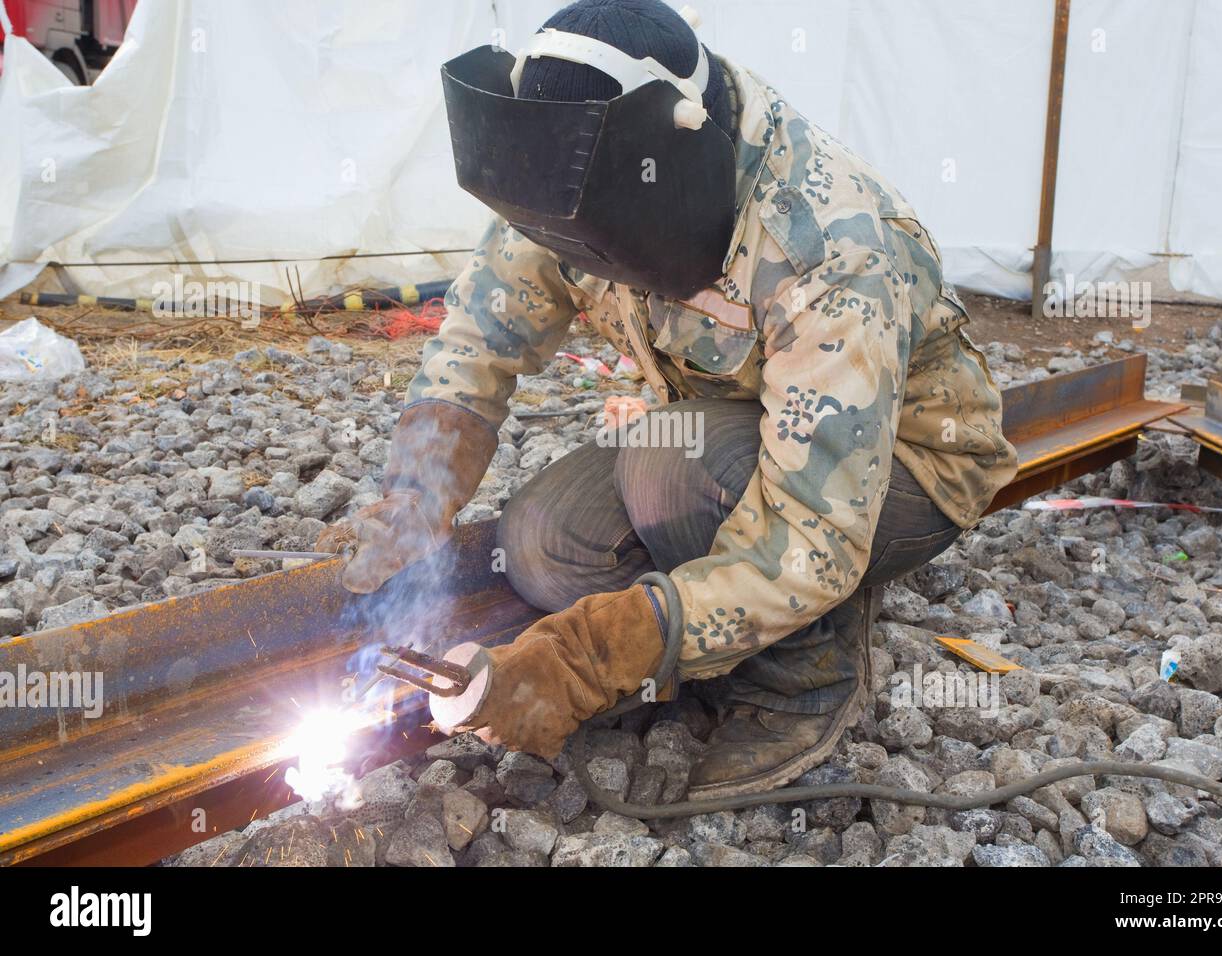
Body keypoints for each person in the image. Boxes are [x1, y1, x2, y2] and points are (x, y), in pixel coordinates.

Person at [319, 0, 1017, 800]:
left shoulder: (828, 243)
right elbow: (482, 340)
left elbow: (812, 535)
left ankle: (804, 678)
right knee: (543, 545)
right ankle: (713, 613)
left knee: (670, 467)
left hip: (899, 470)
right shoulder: (571, 155)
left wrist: (584, 662)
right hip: (724, 434)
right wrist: (415, 497)